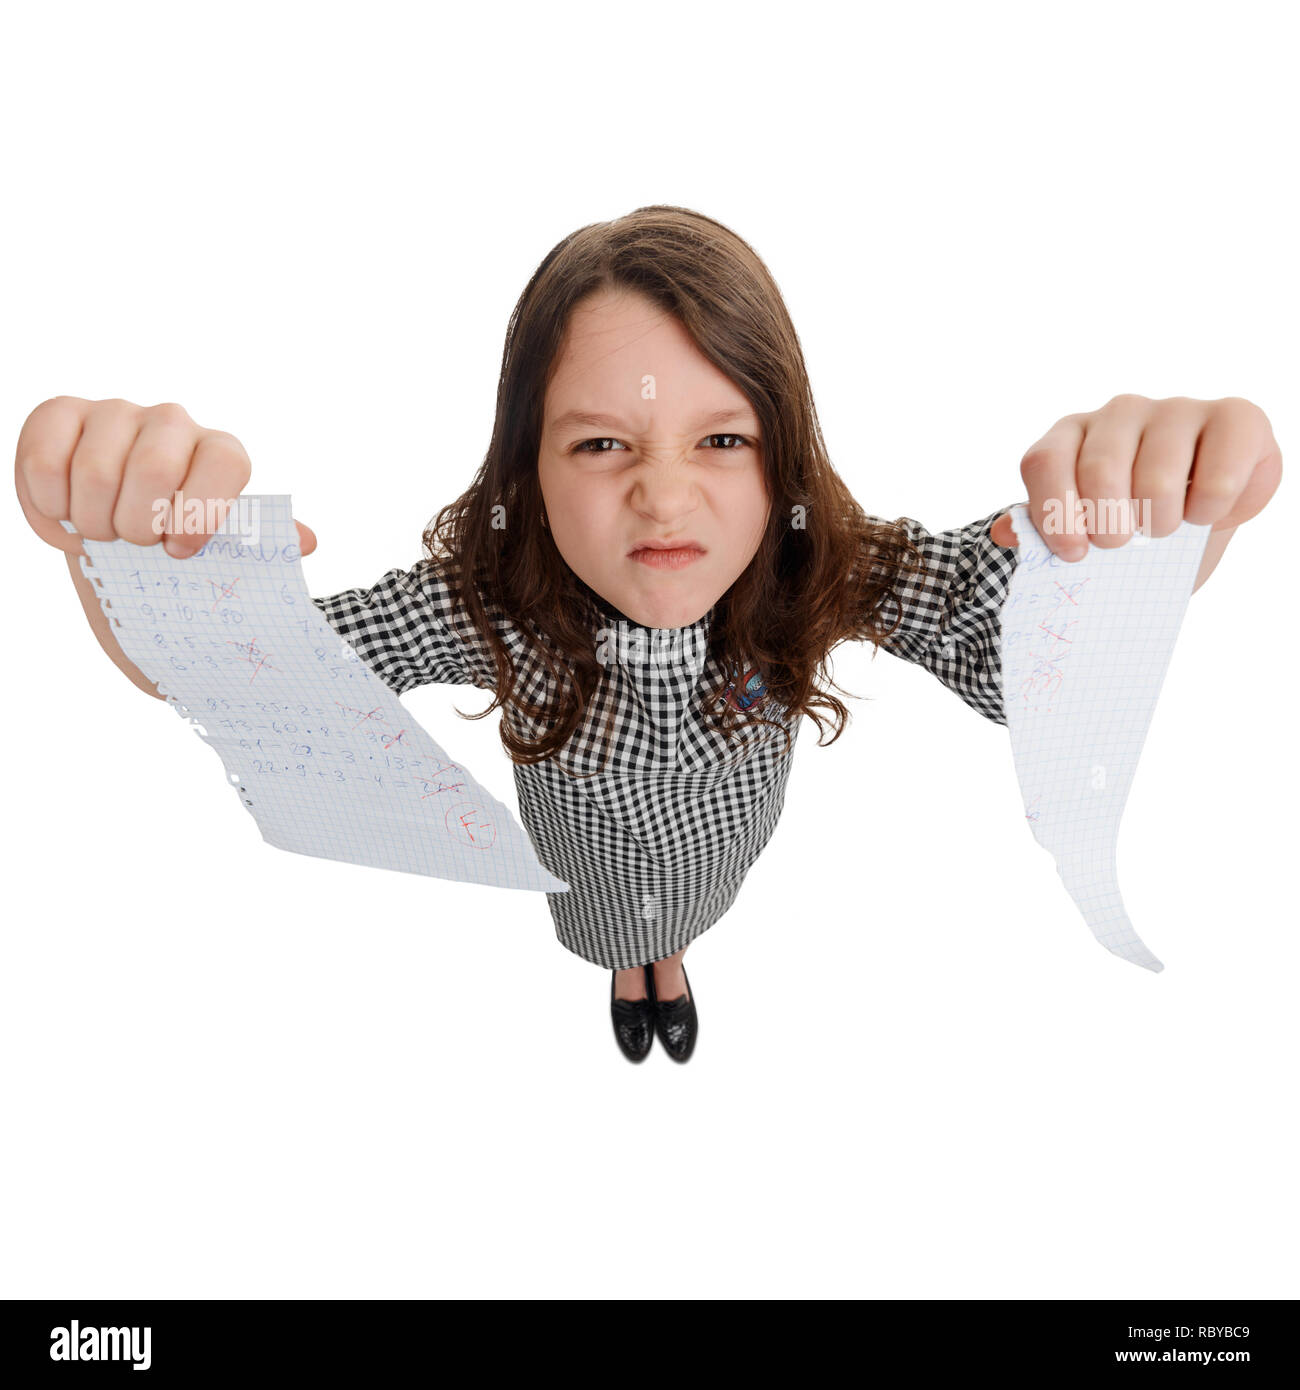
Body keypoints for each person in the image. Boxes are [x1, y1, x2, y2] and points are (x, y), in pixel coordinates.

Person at [14, 205, 1280, 1064]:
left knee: (687, 913)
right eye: (602, 442)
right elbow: (259, 685)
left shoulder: (820, 567)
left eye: (719, 440)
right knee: (619, 928)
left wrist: (1155, 540)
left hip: (727, 846)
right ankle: (636, 973)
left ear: (782, 453)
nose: (664, 496)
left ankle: (676, 957)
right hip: (584, 860)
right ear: (529, 471)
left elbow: (1024, 650)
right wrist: (129, 560)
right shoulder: (489, 600)